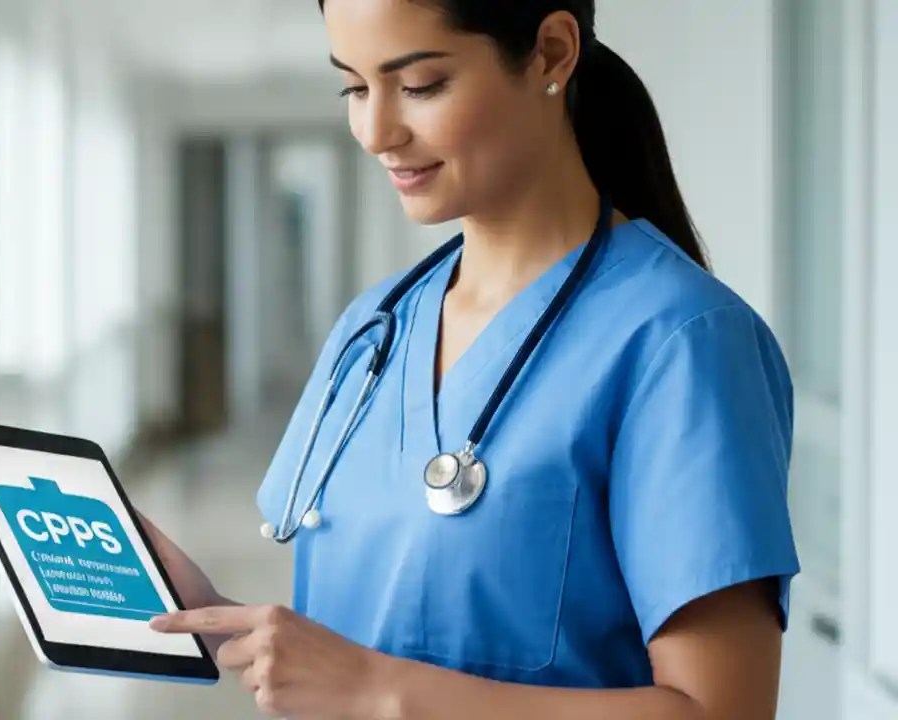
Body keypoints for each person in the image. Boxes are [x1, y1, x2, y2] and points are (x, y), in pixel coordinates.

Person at [142, 1, 799, 717]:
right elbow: (371, 639)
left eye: (419, 85)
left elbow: (721, 710)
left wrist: (377, 691)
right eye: (354, 88)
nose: (375, 132)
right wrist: (211, 620)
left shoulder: (681, 341)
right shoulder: (374, 328)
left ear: (551, 52)